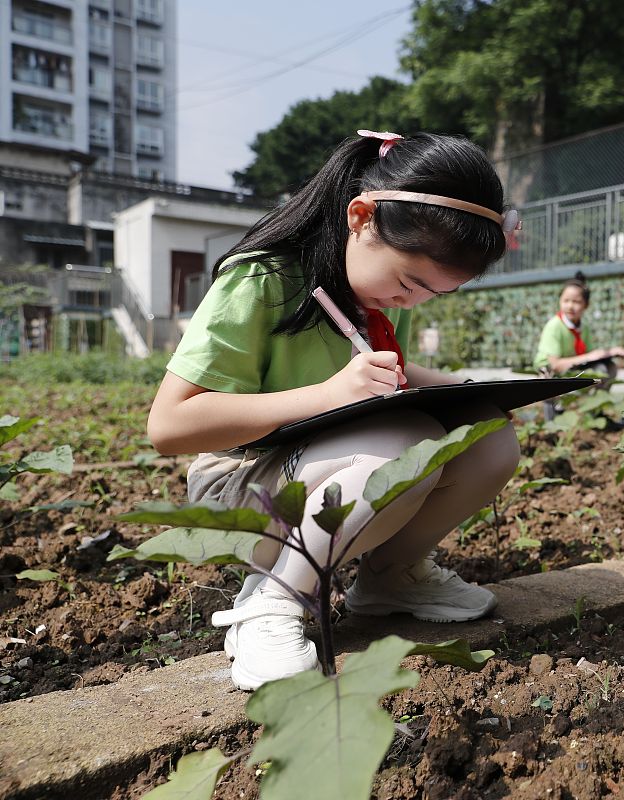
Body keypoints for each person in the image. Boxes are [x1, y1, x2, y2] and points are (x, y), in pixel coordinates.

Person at [146, 131, 520, 691]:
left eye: (434, 294)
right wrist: (325, 395)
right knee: (408, 446)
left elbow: (390, 371)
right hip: (238, 489)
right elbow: (169, 426)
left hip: (327, 474)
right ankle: (273, 601)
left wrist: (480, 389)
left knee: (488, 436)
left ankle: (391, 578)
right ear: (360, 219)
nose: (412, 301)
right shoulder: (263, 279)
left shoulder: (378, 292)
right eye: (410, 282)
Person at [533, 271, 624, 376]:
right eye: (566, 300)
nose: (570, 306)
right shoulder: (554, 326)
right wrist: (589, 356)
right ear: (559, 300)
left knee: (610, 367)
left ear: (586, 305)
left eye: (576, 302)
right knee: (599, 371)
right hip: (550, 373)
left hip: (573, 368)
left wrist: (607, 353)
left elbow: (589, 356)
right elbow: (555, 365)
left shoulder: (584, 328)